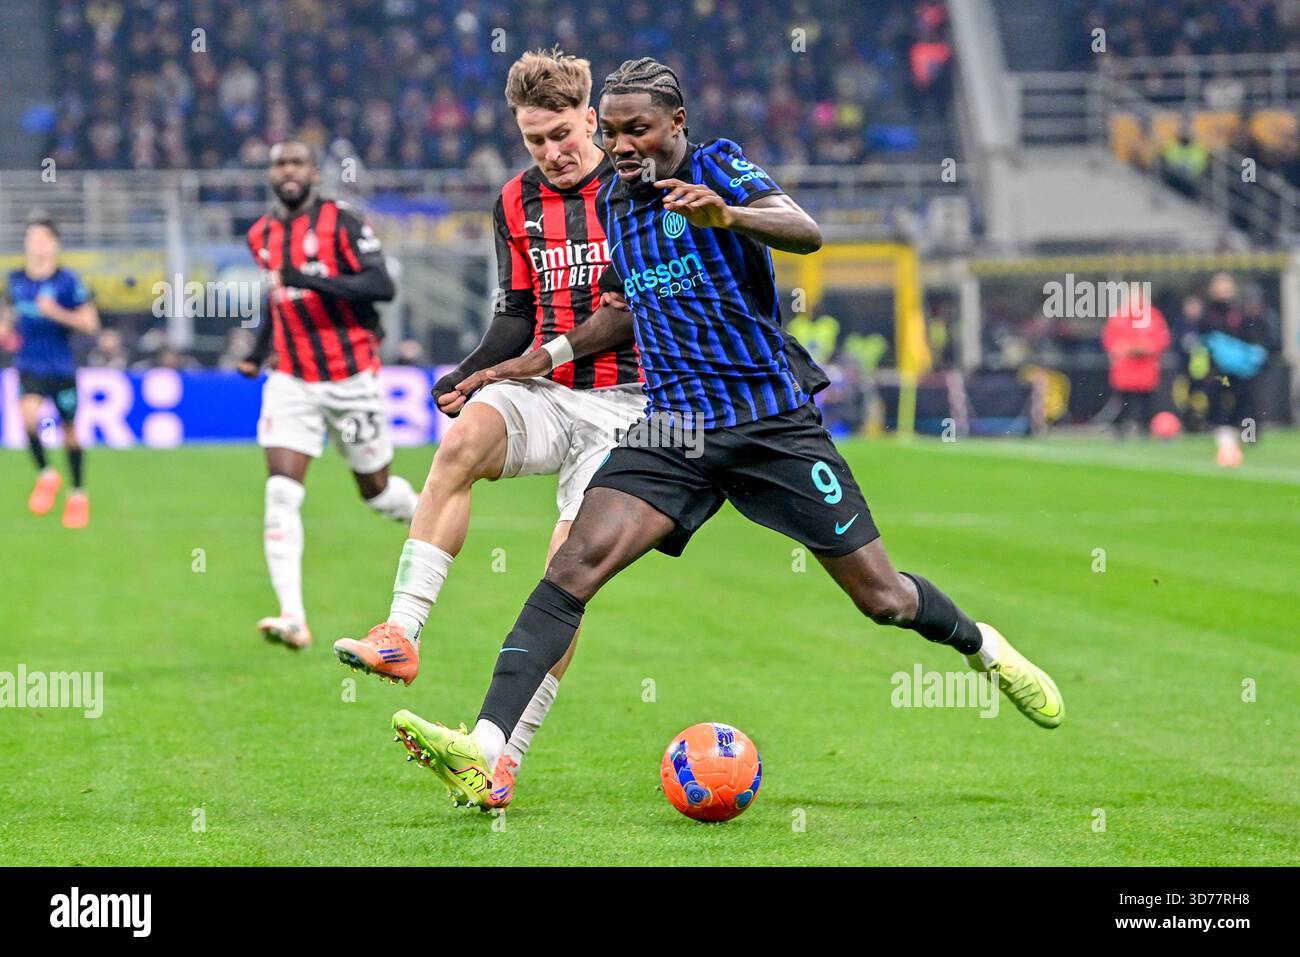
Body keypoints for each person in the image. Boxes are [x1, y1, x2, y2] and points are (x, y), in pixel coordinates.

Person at [392, 58, 1065, 810]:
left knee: (884, 599)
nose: (621, 144)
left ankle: (983, 645)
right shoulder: (618, 202)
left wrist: (730, 215)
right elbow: (622, 310)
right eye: (611, 131)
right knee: (571, 567)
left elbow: (804, 231)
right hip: (675, 426)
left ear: (677, 123)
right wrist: (535, 359)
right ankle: (485, 747)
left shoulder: (721, 165)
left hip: (769, 422)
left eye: (637, 129)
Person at [333, 49, 643, 806]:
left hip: (629, 404)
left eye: (563, 134)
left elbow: (623, 314)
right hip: (545, 386)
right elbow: (513, 311)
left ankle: (505, 753)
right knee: (463, 437)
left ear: (592, 120)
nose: (551, 152)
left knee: (566, 567)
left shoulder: (637, 190)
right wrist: (472, 369)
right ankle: (400, 633)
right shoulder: (514, 202)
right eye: (534, 140)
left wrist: (508, 367)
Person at [239, 140, 418, 650]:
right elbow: (277, 300)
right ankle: (292, 616)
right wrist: (257, 351)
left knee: (379, 495)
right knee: (280, 492)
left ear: (313, 172)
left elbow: (381, 286)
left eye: (297, 162)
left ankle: (431, 517)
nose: (288, 171)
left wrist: (314, 281)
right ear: (271, 175)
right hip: (291, 378)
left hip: (351, 377)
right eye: (279, 164)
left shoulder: (342, 222)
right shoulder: (262, 234)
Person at [1, 219, 99, 528]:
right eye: (31, 238)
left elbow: (90, 323)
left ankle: (77, 494)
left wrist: (55, 312)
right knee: (28, 417)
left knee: (69, 432)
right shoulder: (15, 280)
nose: (37, 244)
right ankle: (47, 474)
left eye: (43, 238)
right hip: (29, 364)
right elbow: (8, 318)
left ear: (54, 244)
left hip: (61, 366)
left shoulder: (68, 281)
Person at [1200, 274, 1277, 466]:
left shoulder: (1239, 311)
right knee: (1219, 401)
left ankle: (1249, 436)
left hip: (1242, 369)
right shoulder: (1209, 314)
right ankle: (1222, 434)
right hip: (1219, 369)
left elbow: (1251, 335)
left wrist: (1250, 355)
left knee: (1247, 402)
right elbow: (1206, 339)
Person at [1101, 287, 1170, 438]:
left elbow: (1161, 339)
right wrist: (1126, 348)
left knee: (1147, 402)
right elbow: (1110, 340)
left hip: (1146, 368)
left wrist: (1147, 347)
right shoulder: (1119, 317)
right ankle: (1119, 429)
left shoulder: (1153, 316)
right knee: (1123, 402)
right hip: (1126, 369)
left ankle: (1147, 428)